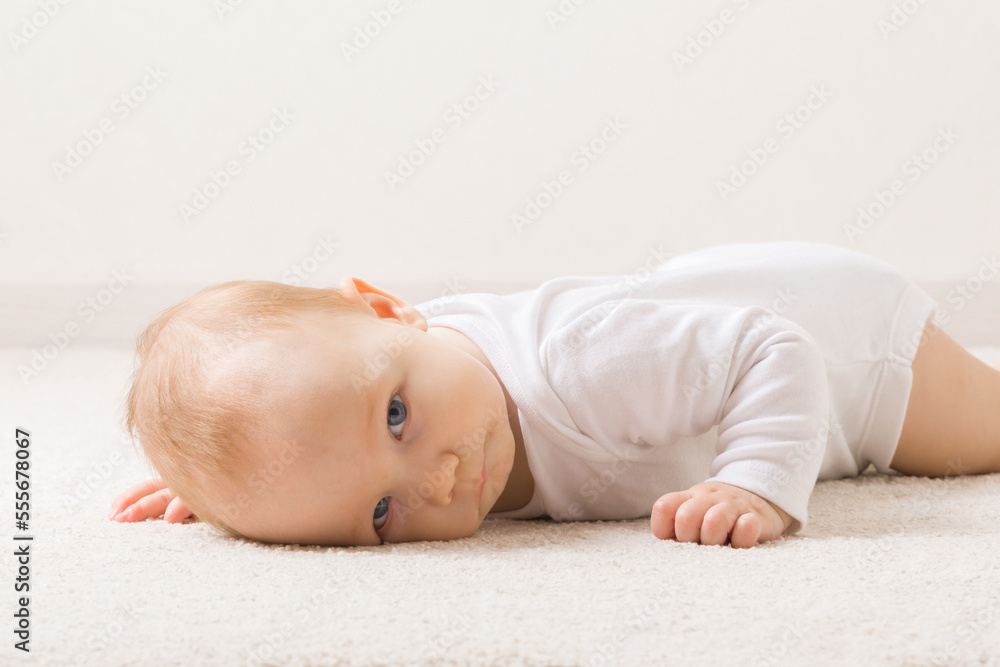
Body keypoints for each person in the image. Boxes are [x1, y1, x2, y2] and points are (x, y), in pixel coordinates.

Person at [108, 240, 1000, 549]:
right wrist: (244, 485)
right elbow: (312, 436)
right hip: (701, 346)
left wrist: (756, 481)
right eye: (380, 513)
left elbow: (775, 346)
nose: (444, 478)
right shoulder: (383, 364)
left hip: (851, 345)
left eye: (395, 416)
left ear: (391, 308)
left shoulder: (580, 365)